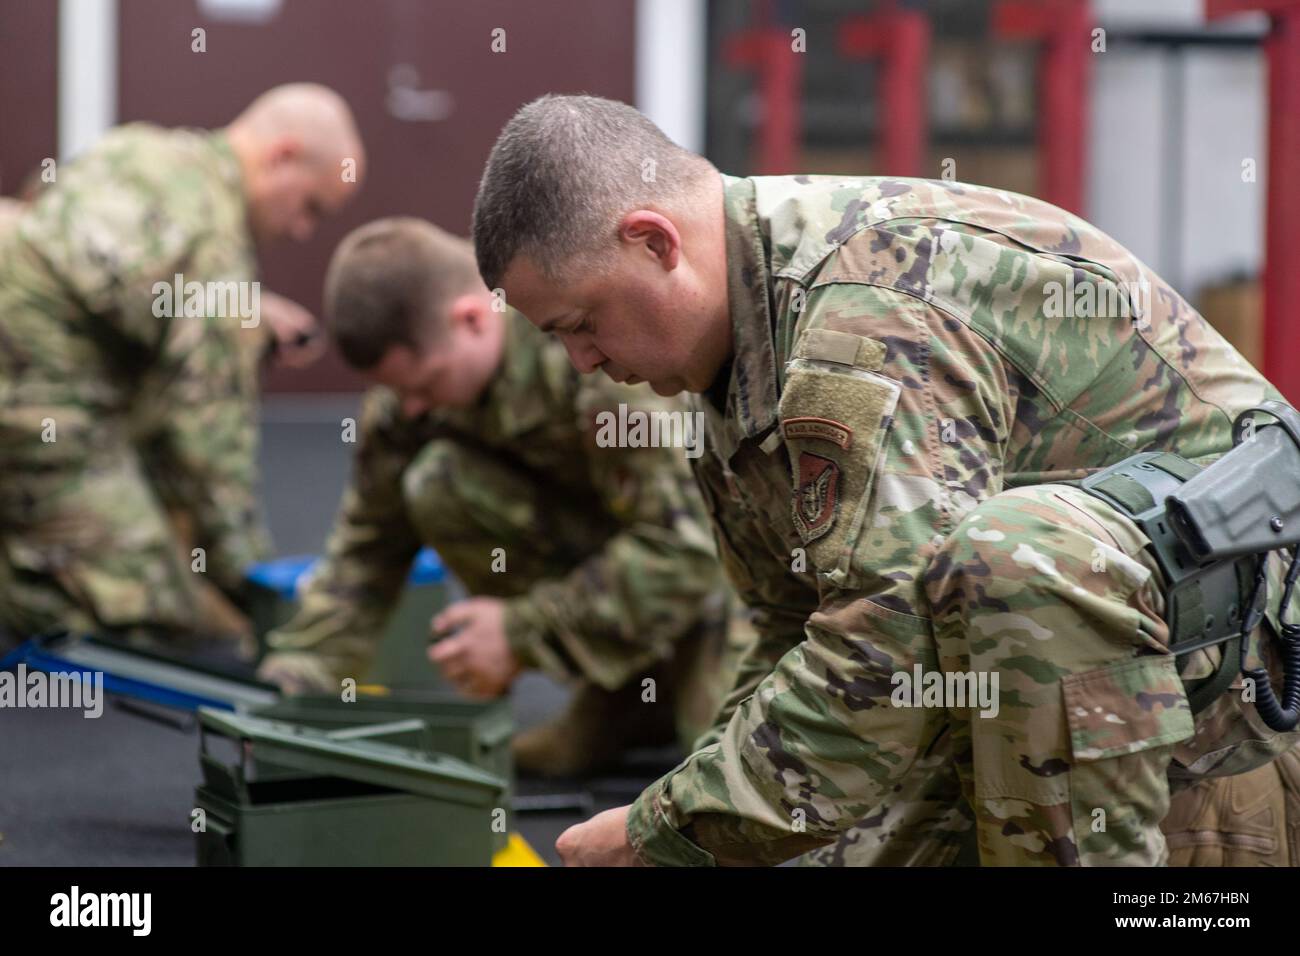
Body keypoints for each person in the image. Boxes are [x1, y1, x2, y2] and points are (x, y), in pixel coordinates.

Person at [471, 94, 1300, 865]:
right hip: (1066, 670)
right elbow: (792, 626)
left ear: (655, 242)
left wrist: (662, 830)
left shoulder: (864, 307)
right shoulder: (727, 349)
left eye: (582, 325)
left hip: (1244, 675)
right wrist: (688, 820)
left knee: (1011, 556)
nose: (582, 361)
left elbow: (887, 638)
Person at [256, 217, 737, 776]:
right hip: (613, 549)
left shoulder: (593, 359)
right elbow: (368, 550)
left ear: (470, 319)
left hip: (724, 576)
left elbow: (688, 549)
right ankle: (627, 694)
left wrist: (520, 632)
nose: (410, 408)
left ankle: (668, 693)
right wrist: (298, 676)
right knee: (435, 483)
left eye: (423, 385)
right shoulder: (408, 398)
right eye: (396, 391)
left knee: (724, 782)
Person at [0, 84, 362, 650]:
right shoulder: (215, 248)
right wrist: (254, 584)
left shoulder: (141, 148)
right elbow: (211, 442)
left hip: (34, 356)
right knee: (149, 609)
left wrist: (247, 311)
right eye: (311, 206)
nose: (302, 229)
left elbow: (53, 225)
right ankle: (31, 582)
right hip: (34, 399)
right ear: (282, 155)